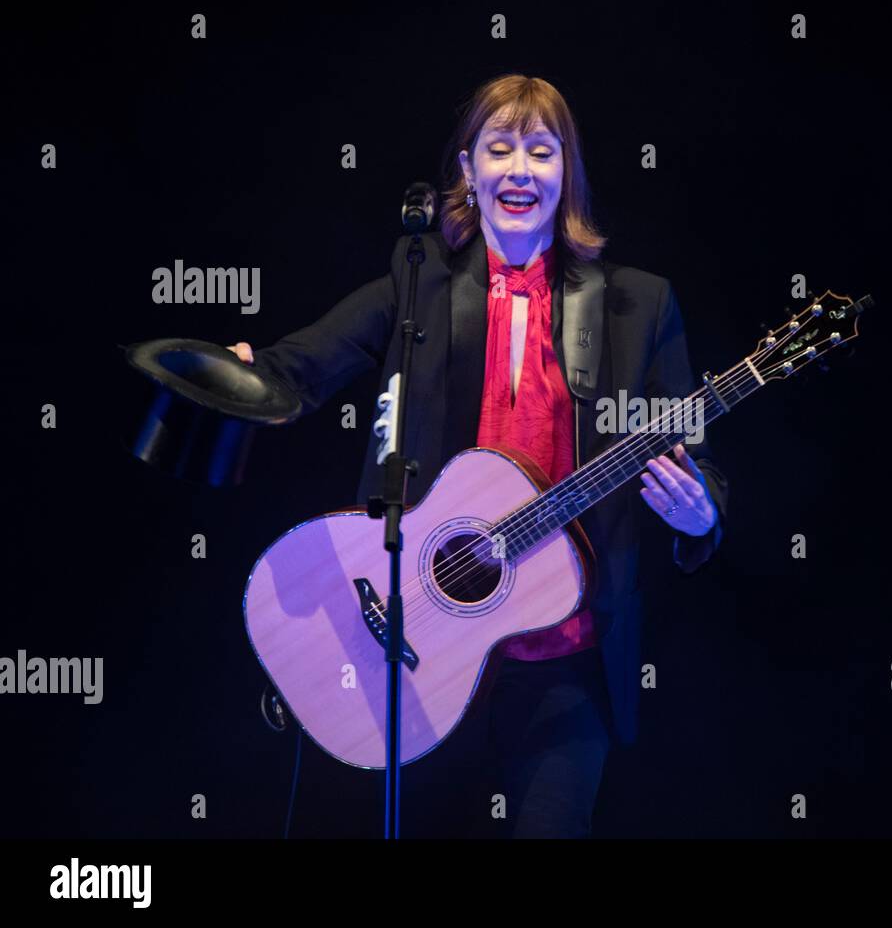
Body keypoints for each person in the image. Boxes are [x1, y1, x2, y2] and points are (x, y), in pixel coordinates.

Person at [228, 73, 727, 838]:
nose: (520, 170)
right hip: (419, 646)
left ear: (568, 173)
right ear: (468, 171)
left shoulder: (638, 304)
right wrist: (245, 376)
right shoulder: (418, 279)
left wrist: (703, 513)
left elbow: (695, 460)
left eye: (541, 151)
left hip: (569, 657)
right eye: (499, 149)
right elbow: (303, 365)